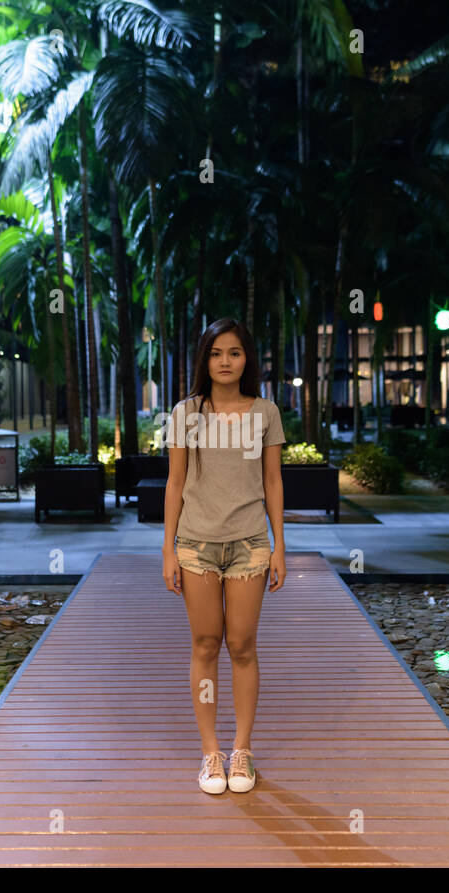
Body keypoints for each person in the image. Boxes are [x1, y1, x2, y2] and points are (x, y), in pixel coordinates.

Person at [161, 317, 287, 795]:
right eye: (216, 353)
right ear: (204, 359)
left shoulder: (265, 412)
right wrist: (169, 549)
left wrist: (279, 546)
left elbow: (273, 482)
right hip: (195, 543)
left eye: (234, 352)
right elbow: (175, 484)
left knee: (243, 645)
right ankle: (211, 752)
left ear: (246, 358)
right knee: (205, 644)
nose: (226, 361)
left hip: (251, 542)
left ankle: (242, 750)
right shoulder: (186, 413)